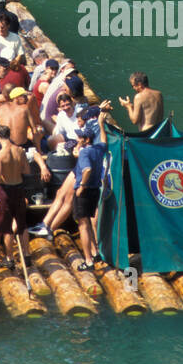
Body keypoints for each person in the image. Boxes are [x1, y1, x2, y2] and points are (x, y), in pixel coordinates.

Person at [70, 103, 113, 270]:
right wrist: (101, 125)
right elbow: (104, 141)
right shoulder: (98, 149)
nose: (78, 138)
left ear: (86, 139)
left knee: (83, 225)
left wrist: (81, 185)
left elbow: (86, 169)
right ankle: (95, 253)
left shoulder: (85, 152)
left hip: (85, 190)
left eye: (81, 137)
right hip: (95, 189)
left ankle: (88, 260)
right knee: (88, 221)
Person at [0, 125, 32, 268]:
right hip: (19, 188)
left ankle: (9, 259)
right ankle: (26, 255)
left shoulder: (0, 155)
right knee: (22, 224)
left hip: (5, 190)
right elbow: (27, 170)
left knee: (6, 227)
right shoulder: (20, 151)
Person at [0, 85, 43, 150]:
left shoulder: (0, 109)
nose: (27, 99)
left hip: (3, 147)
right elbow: (34, 130)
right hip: (21, 147)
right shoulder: (25, 109)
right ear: (17, 98)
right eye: (25, 96)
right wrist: (39, 150)